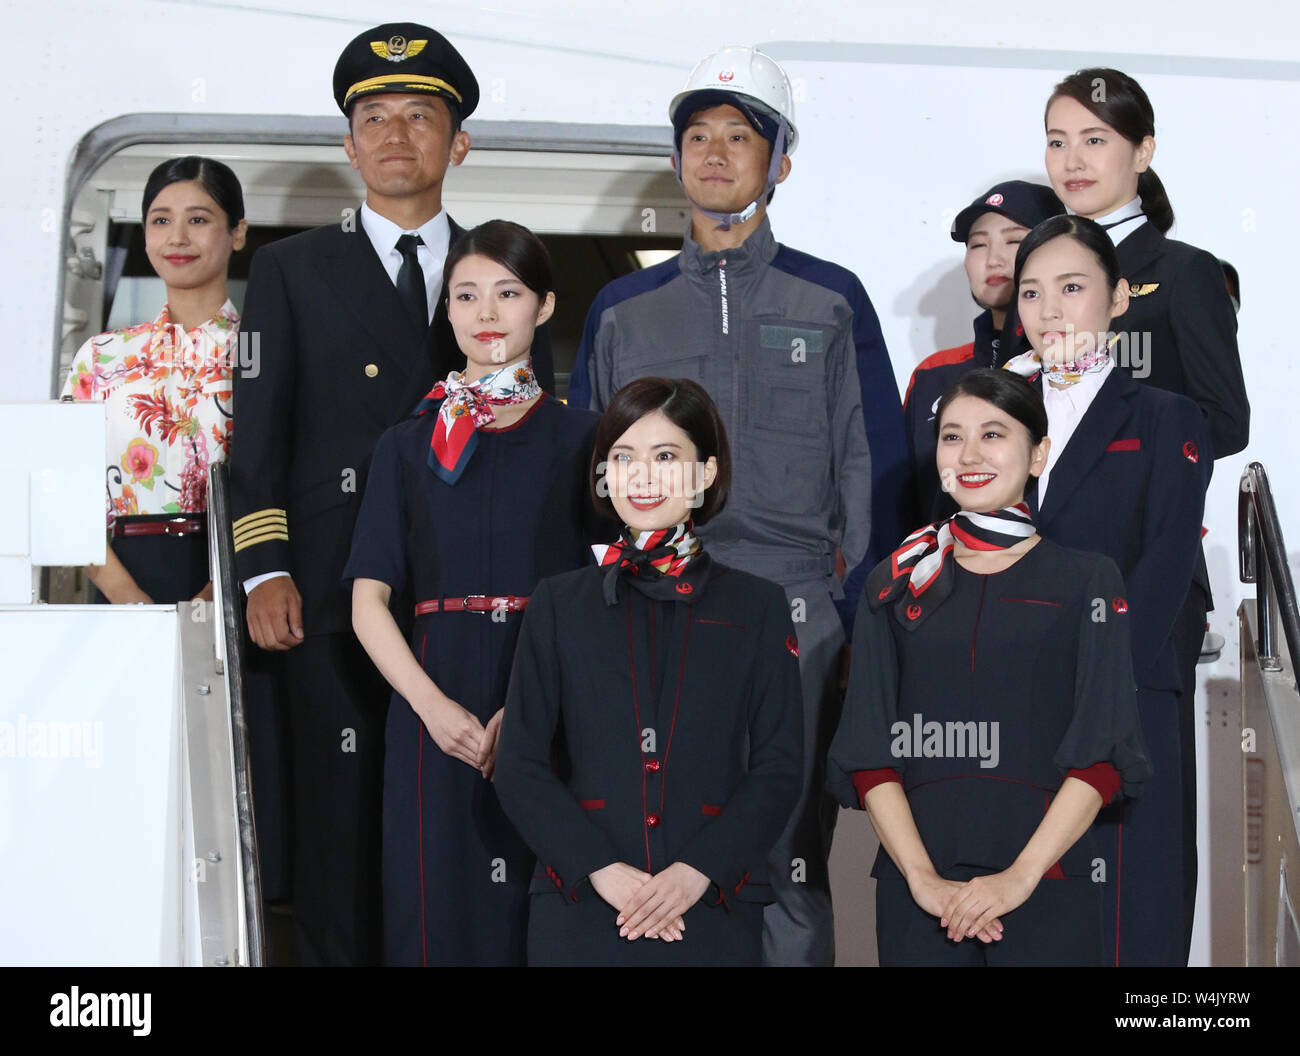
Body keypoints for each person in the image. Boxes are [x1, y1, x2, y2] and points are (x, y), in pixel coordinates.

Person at [567, 43, 905, 967]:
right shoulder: (623, 310)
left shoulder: (831, 299)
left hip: (798, 604)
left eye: (741, 136)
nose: (715, 154)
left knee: (788, 850)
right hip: (654, 605)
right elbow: (587, 474)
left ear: (781, 161)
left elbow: (874, 462)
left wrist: (856, 610)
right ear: (676, 161)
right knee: (658, 840)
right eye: (698, 137)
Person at [229, 22, 524, 966]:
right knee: (339, 833)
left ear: (459, 143)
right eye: (374, 117)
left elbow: (537, 444)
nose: (397, 134)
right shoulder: (288, 268)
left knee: (467, 825)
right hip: (327, 589)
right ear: (349, 146)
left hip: (470, 597)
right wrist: (262, 567)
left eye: (421, 116)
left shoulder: (505, 266)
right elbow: (256, 438)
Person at [827, 367, 1151, 966]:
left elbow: (1103, 750)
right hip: (917, 894)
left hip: (1048, 884)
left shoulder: (1088, 580)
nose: (969, 454)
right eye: (952, 437)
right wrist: (923, 881)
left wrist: (1020, 878)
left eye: (994, 434)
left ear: (1038, 454)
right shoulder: (895, 581)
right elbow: (870, 752)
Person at [344, 221, 598, 966]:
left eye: (508, 292)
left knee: (543, 905)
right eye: (467, 294)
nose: (487, 312)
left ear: (544, 307)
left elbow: (609, 588)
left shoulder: (587, 438)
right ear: (446, 311)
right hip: (432, 696)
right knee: (434, 911)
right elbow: (368, 601)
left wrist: (530, 709)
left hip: (554, 692)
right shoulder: (405, 443)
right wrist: (432, 709)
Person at [496, 377, 803, 966]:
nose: (641, 476)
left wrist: (694, 875)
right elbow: (519, 765)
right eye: (623, 457)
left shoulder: (759, 605)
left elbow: (779, 769)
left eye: (666, 456)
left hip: (713, 908)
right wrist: (606, 874)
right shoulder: (558, 603)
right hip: (580, 904)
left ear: (706, 473)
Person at [1042, 68, 1245, 957]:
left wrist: (1118, 408)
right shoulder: (1044, 266)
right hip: (1037, 578)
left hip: (1144, 570)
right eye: (1058, 140)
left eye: (1095, 139)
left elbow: (1225, 417)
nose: (1074, 158)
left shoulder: (1182, 272)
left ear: (1142, 151)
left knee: (1137, 831)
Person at [1004, 213, 1212, 965]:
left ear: (1119, 298)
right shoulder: (989, 415)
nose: (1049, 310)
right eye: (1031, 292)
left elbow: (1163, 560)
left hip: (1126, 684)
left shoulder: (1164, 414)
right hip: (1010, 692)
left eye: (1072, 288)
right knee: (1025, 897)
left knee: (1131, 907)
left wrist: (1103, 679)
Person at [63, 155, 245, 605]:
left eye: (198, 219)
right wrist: (126, 597)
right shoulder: (102, 357)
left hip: (239, 573)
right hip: (119, 574)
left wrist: (218, 594)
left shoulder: (266, 353)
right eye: (161, 220)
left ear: (237, 232)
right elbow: (64, 486)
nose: (177, 237)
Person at [904, 180, 1062, 523]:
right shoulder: (933, 374)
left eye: (1015, 240)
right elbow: (907, 501)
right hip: (947, 568)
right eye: (978, 244)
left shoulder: (1080, 366)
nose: (994, 259)